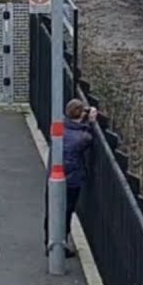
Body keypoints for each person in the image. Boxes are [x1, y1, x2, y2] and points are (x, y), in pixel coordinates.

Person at [46, 99, 97, 258]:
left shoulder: (60, 126)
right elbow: (88, 138)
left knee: (51, 209)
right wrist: (91, 122)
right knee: (66, 212)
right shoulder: (81, 137)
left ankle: (49, 241)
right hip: (71, 180)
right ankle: (61, 244)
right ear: (80, 115)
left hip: (53, 176)